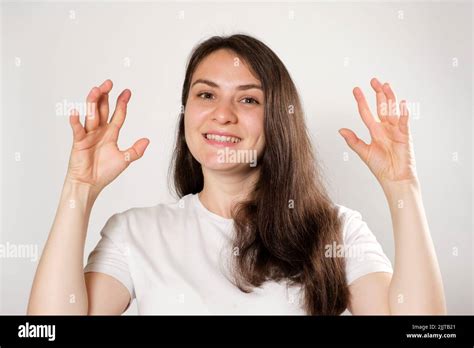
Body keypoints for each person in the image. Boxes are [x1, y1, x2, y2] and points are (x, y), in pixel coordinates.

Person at [27, 34, 446, 315]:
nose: (222, 115)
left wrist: (401, 186)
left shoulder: (335, 231)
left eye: (248, 99)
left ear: (279, 119)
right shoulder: (136, 233)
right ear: (186, 113)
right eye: (206, 94)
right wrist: (78, 190)